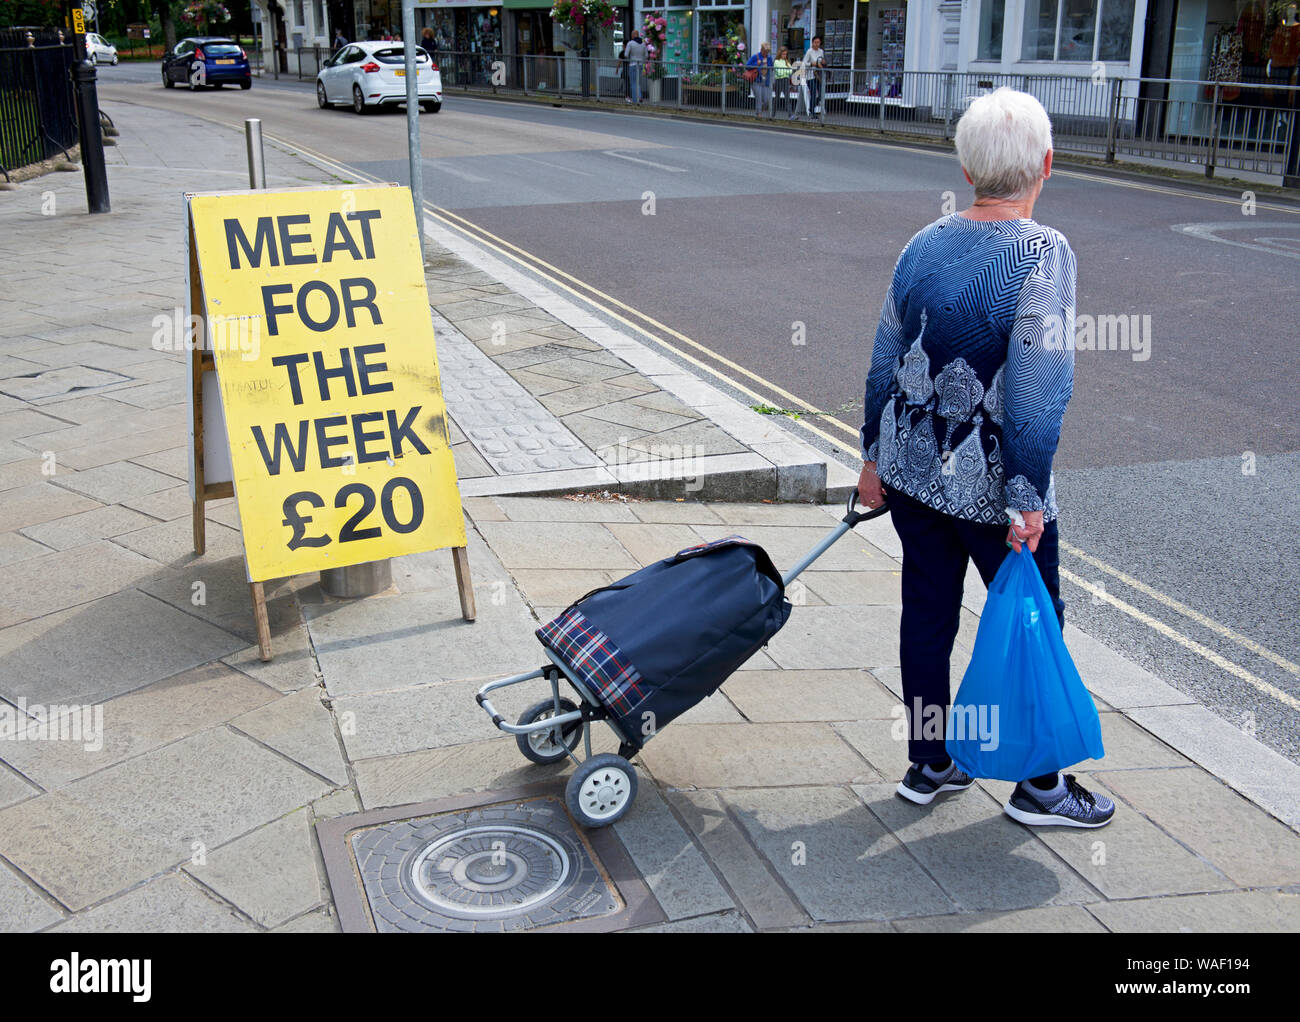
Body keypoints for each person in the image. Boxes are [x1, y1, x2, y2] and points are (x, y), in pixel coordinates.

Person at [857, 87, 1115, 829]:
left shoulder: (923, 242)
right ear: (1047, 164)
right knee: (1035, 619)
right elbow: (1040, 387)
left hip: (910, 471)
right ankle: (1039, 788)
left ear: (967, 170)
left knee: (927, 613)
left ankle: (931, 762)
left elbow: (884, 356)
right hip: (992, 486)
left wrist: (872, 455)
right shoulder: (1043, 251)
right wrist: (1028, 496)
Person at [745, 41, 773, 118]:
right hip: (757, 80)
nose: (766, 53)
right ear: (762, 50)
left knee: (766, 99)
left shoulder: (769, 58)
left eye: (768, 51)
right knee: (759, 98)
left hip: (766, 81)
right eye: (765, 51)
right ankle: (759, 113)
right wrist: (756, 64)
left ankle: (760, 110)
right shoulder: (755, 56)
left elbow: (772, 68)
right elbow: (747, 66)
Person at [801, 36, 825, 115]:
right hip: (810, 75)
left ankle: (812, 107)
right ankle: (812, 112)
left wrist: (822, 63)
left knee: (821, 93)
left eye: (818, 42)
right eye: (815, 42)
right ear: (812, 43)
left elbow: (821, 61)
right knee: (813, 92)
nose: (817, 44)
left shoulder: (821, 51)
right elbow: (804, 63)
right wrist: (812, 63)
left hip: (818, 75)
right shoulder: (809, 52)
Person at [624, 31, 647, 104]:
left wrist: (630, 57)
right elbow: (646, 55)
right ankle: (640, 97)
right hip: (640, 65)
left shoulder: (630, 43)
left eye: (631, 35)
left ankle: (635, 100)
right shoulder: (643, 44)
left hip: (633, 64)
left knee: (633, 83)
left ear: (633, 35)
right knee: (638, 82)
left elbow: (626, 54)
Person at [772, 46, 793, 115]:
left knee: (787, 98)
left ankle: (790, 115)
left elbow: (791, 70)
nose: (785, 56)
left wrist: (785, 71)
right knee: (777, 98)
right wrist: (786, 70)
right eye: (783, 54)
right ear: (780, 54)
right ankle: (773, 114)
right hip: (779, 80)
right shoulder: (776, 61)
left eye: (786, 54)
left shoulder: (786, 61)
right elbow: (779, 72)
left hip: (786, 80)